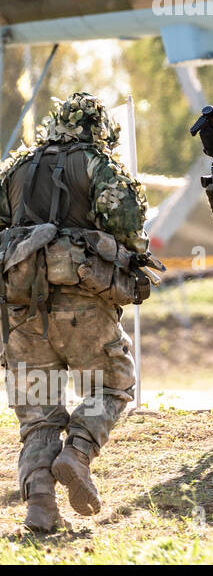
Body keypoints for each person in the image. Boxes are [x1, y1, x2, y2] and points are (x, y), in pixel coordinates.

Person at [0, 93, 158, 532]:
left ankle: (40, 505)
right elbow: (130, 227)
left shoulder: (15, 169)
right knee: (114, 384)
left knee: (38, 414)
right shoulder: (97, 163)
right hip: (83, 304)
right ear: (99, 129)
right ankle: (78, 453)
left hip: (21, 313)